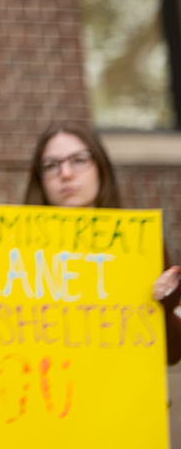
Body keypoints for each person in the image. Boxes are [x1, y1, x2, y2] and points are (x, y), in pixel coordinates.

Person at [24, 121, 181, 364]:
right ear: (40, 179)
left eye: (78, 160)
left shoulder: (140, 244)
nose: (66, 174)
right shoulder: (16, 253)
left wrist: (164, 308)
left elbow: (172, 355)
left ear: (100, 167)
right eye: (51, 165)